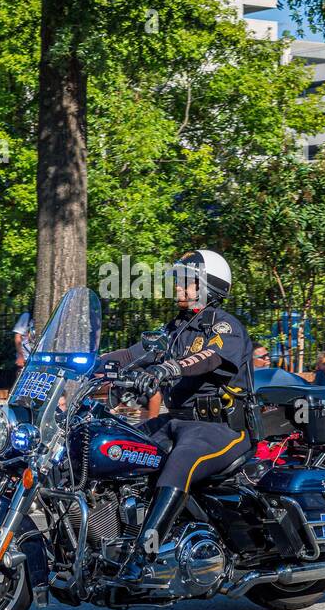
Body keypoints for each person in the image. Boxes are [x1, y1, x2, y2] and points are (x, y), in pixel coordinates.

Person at [104, 249, 254, 582]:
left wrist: (168, 368)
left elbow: (210, 357)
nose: (179, 287)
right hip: (178, 421)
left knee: (180, 460)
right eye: (179, 280)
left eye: (188, 281)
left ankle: (143, 556)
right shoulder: (174, 329)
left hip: (222, 428)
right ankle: (110, 540)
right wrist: (90, 366)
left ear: (209, 287)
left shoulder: (225, 325)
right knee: (119, 446)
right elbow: (133, 353)